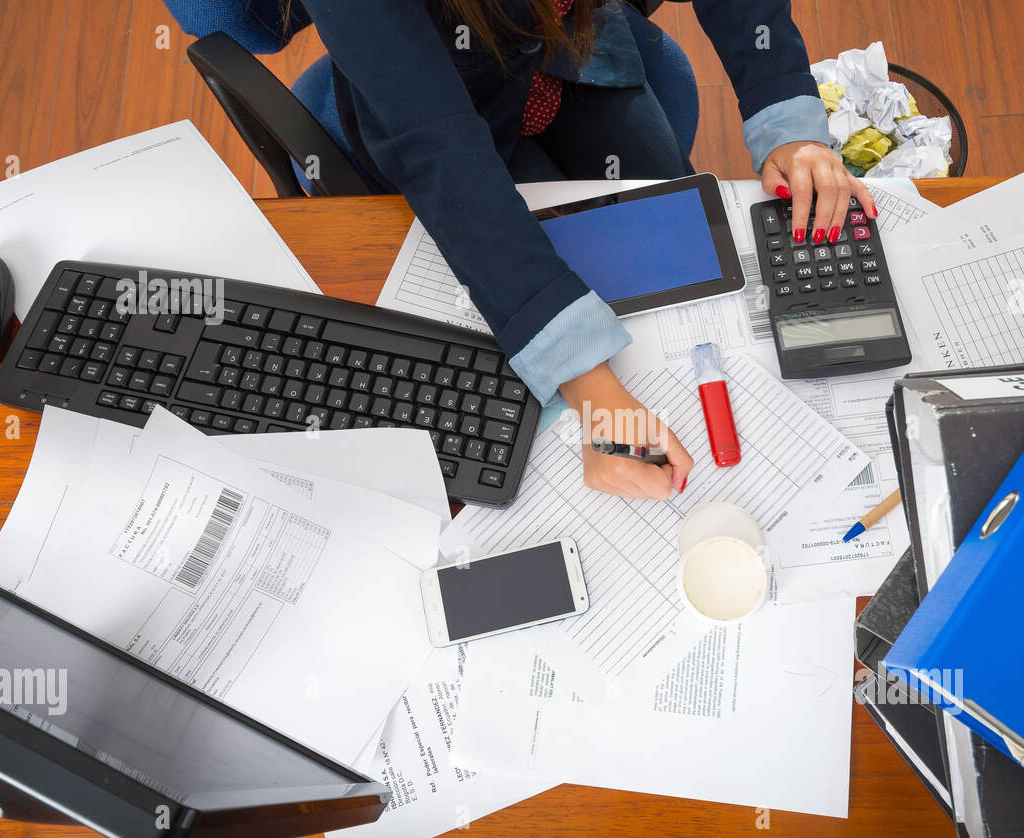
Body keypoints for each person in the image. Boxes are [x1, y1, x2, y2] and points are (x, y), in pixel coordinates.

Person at [295, 0, 876, 497]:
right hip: (440, 93)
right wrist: (585, 381)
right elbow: (436, 148)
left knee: (689, 254)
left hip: (573, 41)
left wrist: (788, 121)